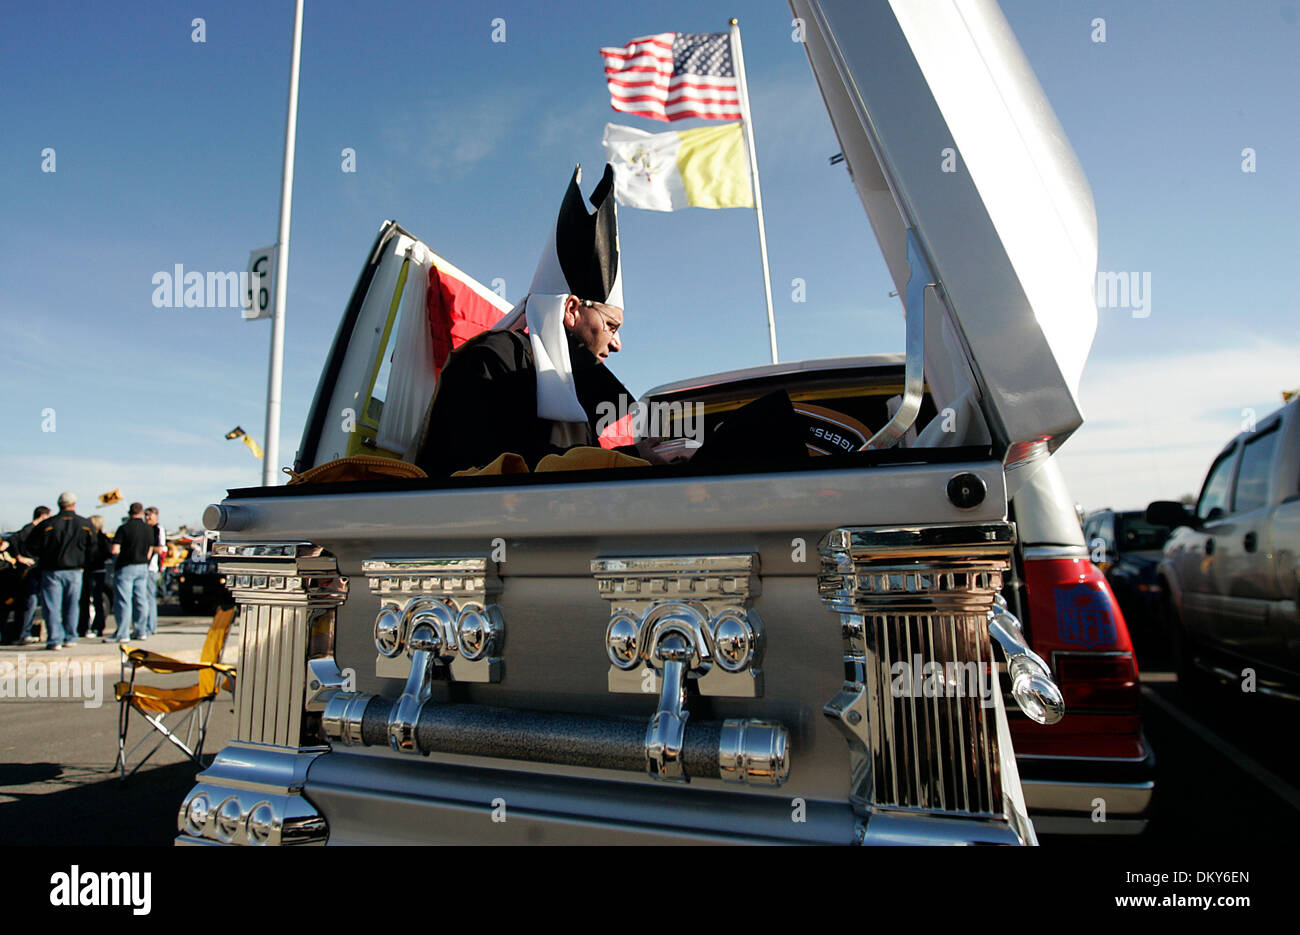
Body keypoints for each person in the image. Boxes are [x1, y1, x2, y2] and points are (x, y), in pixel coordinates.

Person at [414, 164, 633, 477]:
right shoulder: (492, 360)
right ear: (571, 309)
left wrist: (645, 458)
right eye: (612, 326)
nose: (617, 344)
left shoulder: (577, 391)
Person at [22, 493, 94, 650]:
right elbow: (92, 547)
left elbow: (31, 545)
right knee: (72, 605)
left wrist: (43, 556)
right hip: (74, 570)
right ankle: (70, 637)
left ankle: (55, 639)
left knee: (52, 606)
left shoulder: (49, 524)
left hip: (52, 570)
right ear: (74, 504)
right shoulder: (84, 524)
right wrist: (83, 561)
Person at [0, 506, 50, 645]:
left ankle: (22, 632)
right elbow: (13, 539)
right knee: (30, 601)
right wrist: (19, 557)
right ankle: (24, 633)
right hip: (26, 573)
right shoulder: (30, 530)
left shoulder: (32, 530)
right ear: (43, 516)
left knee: (27, 603)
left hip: (29, 573)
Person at [110, 502, 153, 642]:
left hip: (126, 566)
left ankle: (123, 633)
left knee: (124, 600)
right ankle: (141, 631)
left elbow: (115, 549)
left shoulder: (123, 528)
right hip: (143, 566)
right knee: (141, 599)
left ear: (130, 512)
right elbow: (150, 550)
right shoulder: (148, 529)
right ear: (141, 512)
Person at [77, 515, 112, 638]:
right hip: (99, 570)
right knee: (97, 600)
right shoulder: (104, 538)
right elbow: (109, 553)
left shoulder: (92, 538)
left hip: (91, 570)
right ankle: (97, 626)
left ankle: (84, 627)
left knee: (87, 600)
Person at [142, 506, 166, 636]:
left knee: (149, 597)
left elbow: (160, 549)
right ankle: (143, 625)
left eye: (149, 516)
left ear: (156, 516)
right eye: (145, 515)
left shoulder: (158, 529)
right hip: (142, 566)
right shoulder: (143, 528)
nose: (147, 518)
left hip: (151, 568)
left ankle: (151, 626)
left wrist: (149, 548)